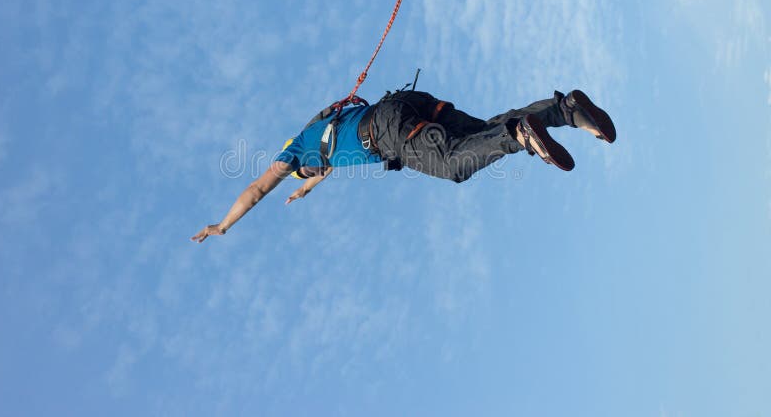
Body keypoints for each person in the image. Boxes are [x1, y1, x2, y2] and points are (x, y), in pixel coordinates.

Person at [191, 88, 615, 243]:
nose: (310, 174)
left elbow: (257, 189)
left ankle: (519, 135)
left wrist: (222, 225)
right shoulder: (322, 135)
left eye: (303, 173)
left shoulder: (295, 152)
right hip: (406, 102)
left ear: (295, 160)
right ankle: (565, 109)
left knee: (453, 165)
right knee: (479, 133)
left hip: (389, 131)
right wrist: (307, 188)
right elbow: (327, 168)